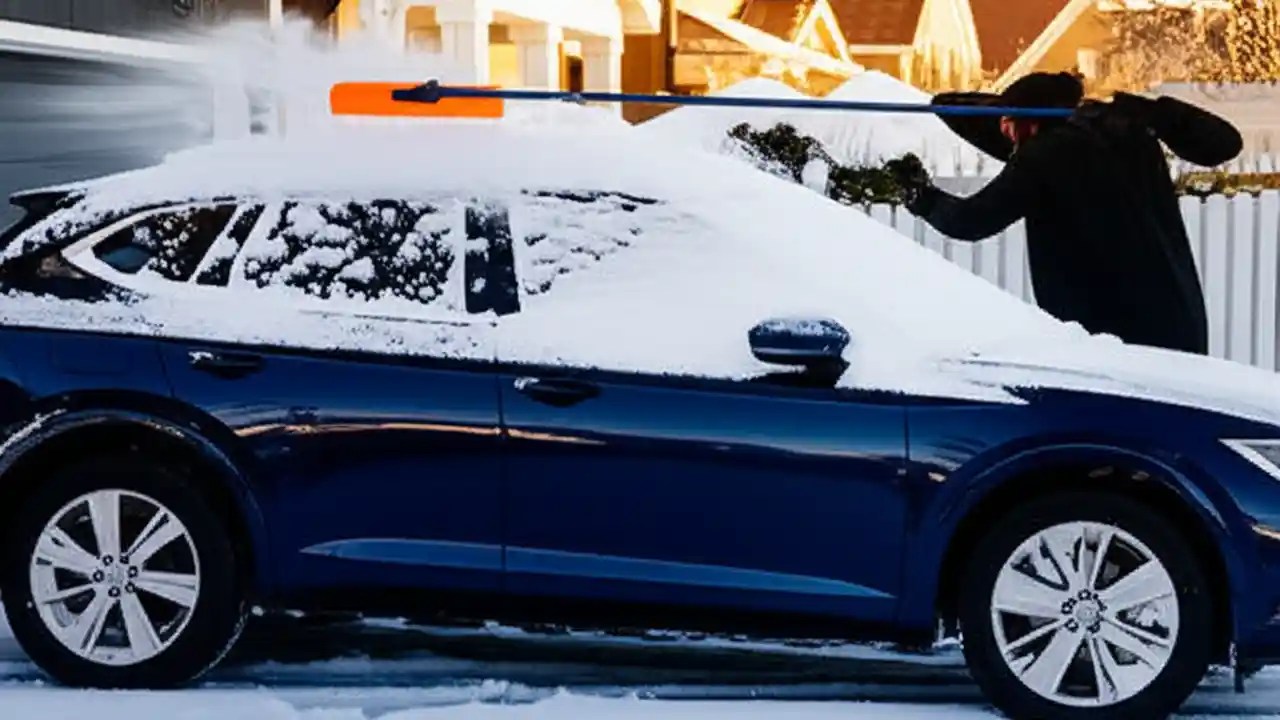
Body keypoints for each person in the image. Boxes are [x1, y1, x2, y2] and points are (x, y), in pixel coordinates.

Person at [890, 71, 1243, 355]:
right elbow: (1227, 143)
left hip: (1105, 341)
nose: (1006, 138)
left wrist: (921, 196)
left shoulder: (1045, 156)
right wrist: (1152, 111)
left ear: (1024, 121)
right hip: (1177, 324)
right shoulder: (1130, 135)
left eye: (1008, 125)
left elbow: (972, 221)